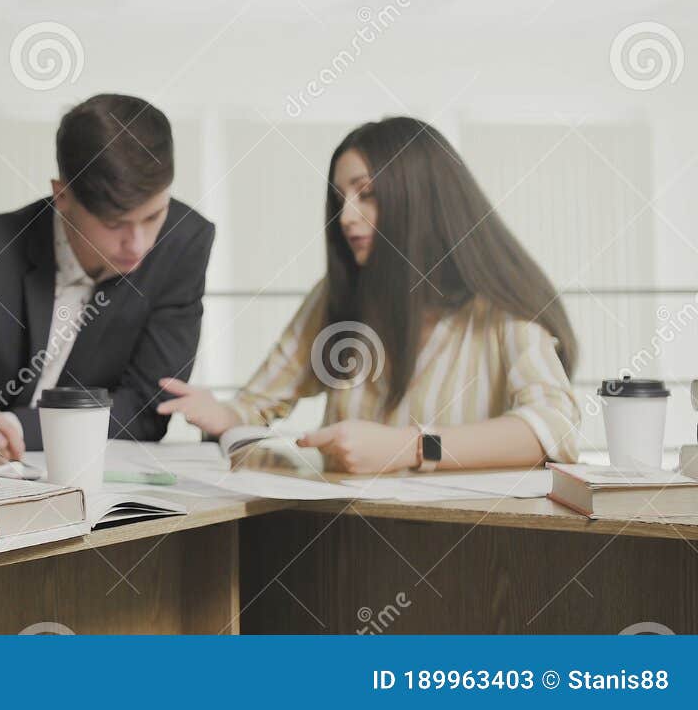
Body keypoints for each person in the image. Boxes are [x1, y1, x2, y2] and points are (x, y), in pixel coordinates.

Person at [158, 116, 583, 473]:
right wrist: (225, 414)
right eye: (340, 199)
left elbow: (552, 427)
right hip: (344, 537)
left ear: (423, 199)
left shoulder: (500, 313)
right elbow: (259, 403)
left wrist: (409, 447)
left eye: (368, 194)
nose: (346, 218)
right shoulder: (336, 297)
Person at [0, 93, 215, 463]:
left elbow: (146, 408)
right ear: (61, 196)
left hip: (102, 483)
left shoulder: (184, 242)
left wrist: (15, 427)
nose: (138, 245)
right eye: (114, 224)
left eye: (153, 216)